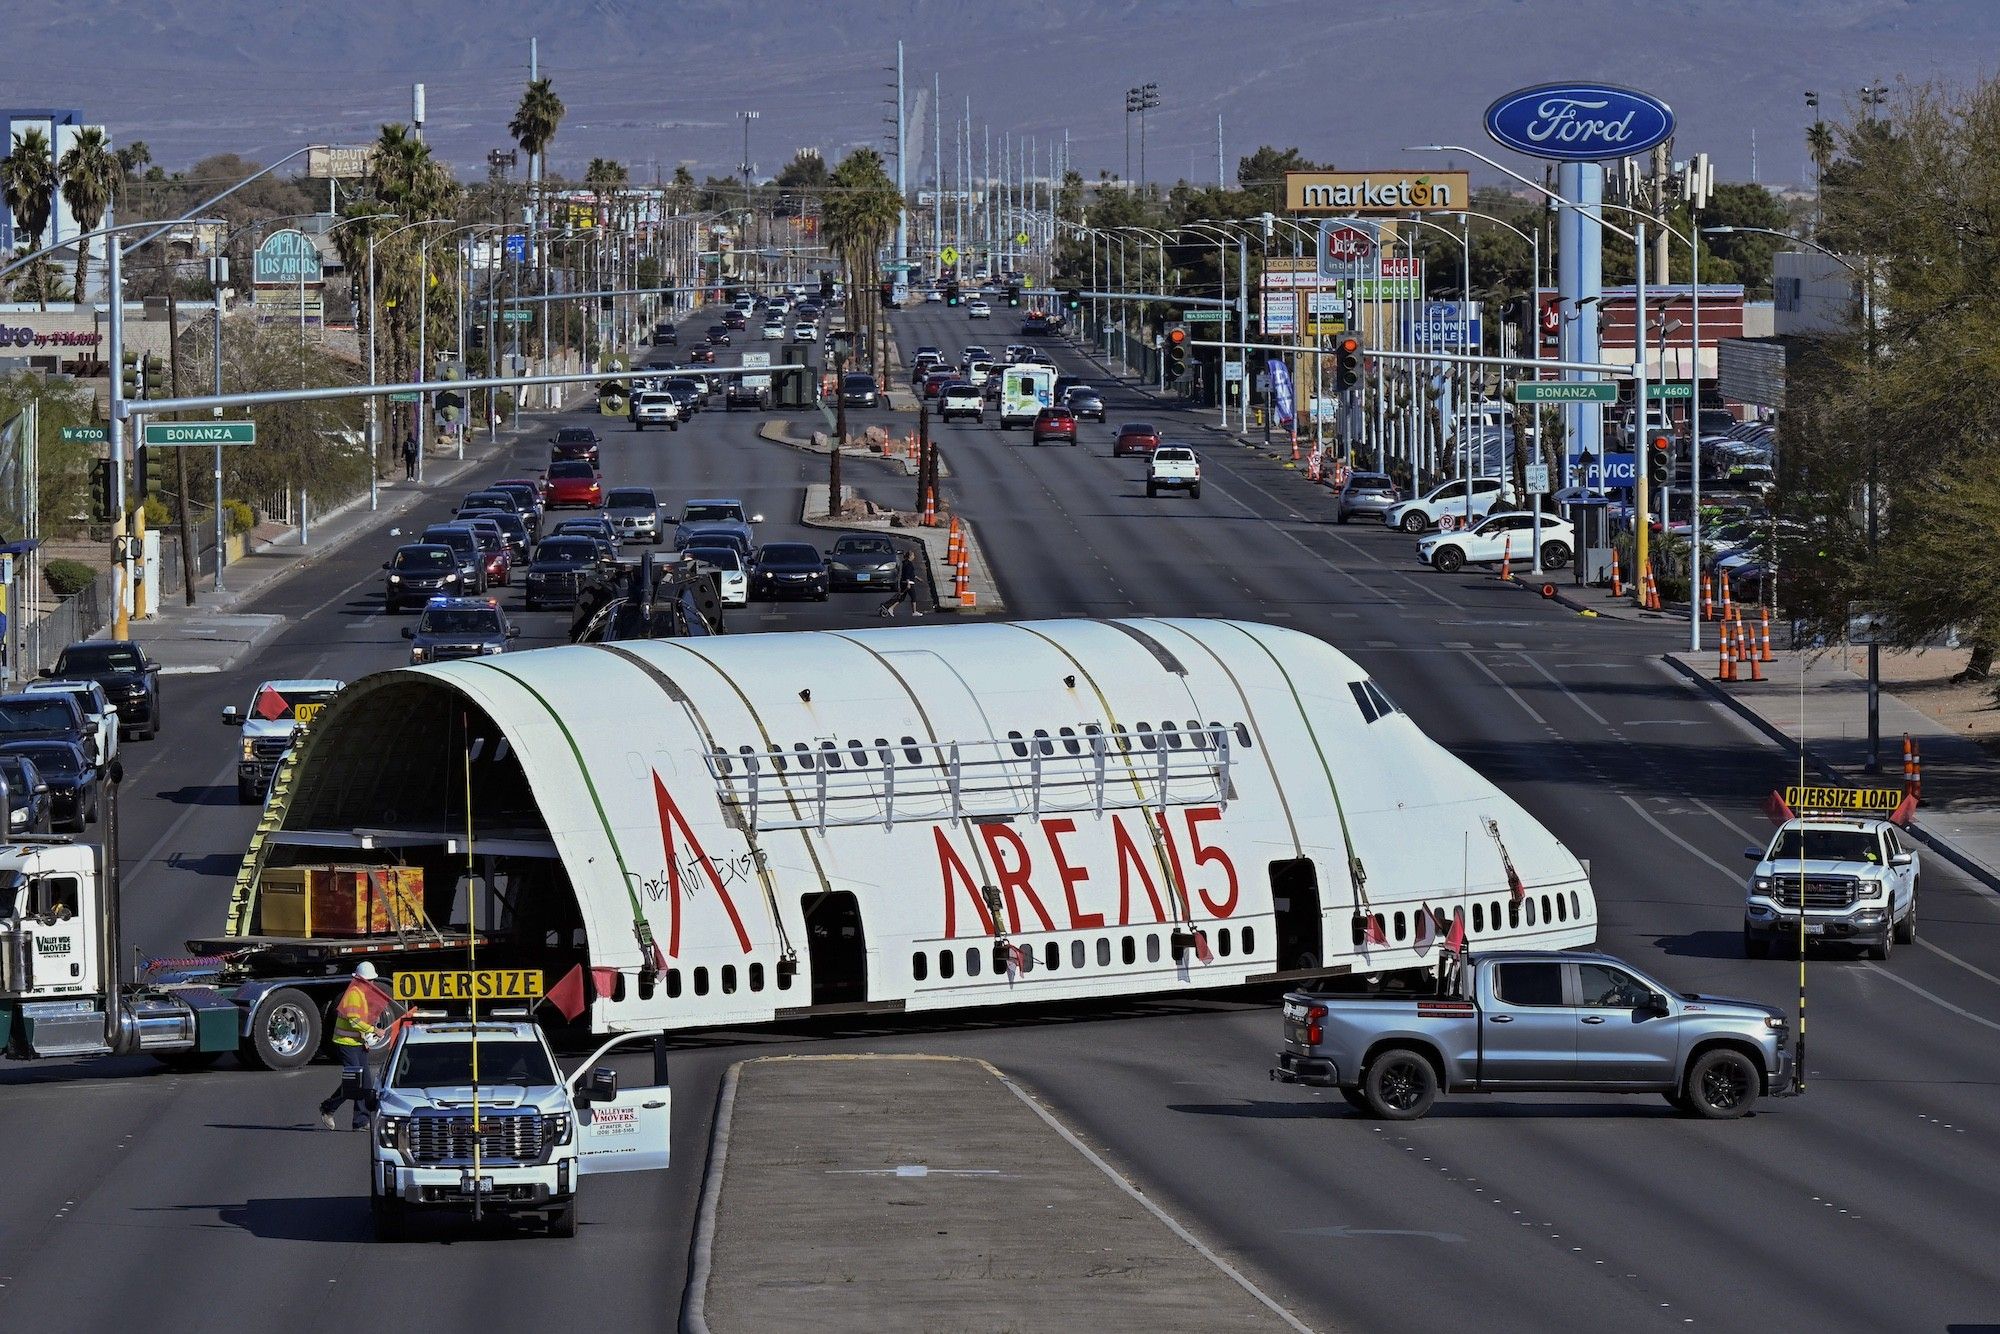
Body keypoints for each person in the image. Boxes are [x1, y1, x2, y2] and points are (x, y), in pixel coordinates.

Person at [319, 961, 385, 1130]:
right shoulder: (354, 994)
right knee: (354, 1083)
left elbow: (360, 1021)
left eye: (372, 980)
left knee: (365, 1084)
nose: (372, 984)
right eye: (370, 980)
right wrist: (373, 1030)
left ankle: (360, 1121)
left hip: (357, 1044)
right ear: (361, 981)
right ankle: (328, 1107)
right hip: (346, 1044)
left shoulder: (361, 994)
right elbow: (354, 1021)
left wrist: (366, 1039)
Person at [877, 546, 923, 619]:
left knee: (901, 597)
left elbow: (910, 574)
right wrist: (908, 583)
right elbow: (907, 574)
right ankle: (914, 612)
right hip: (909, 583)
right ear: (910, 556)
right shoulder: (909, 564)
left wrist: (917, 578)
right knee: (913, 597)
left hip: (903, 582)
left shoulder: (905, 563)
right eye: (913, 555)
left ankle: (889, 607)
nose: (914, 557)